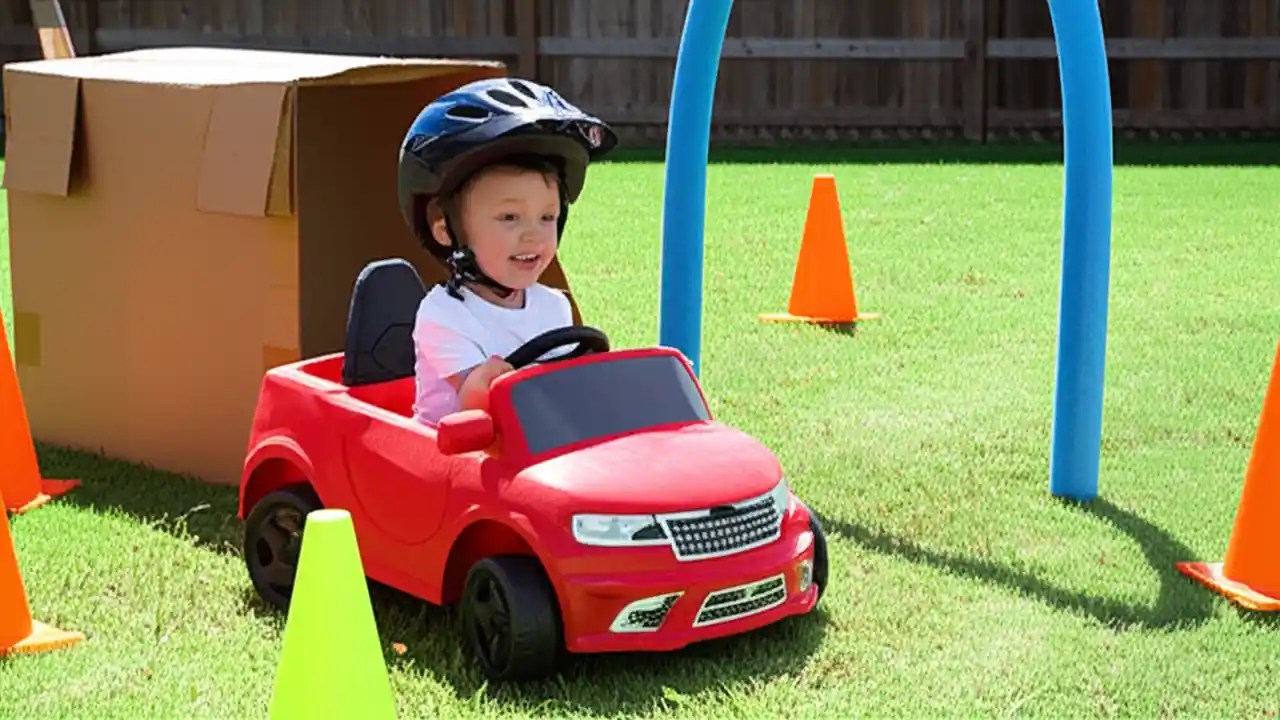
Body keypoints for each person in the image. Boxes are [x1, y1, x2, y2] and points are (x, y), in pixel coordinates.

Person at [396, 77, 618, 425]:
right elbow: (476, 403)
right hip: (450, 464)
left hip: (533, 457)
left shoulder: (554, 307)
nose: (533, 234)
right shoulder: (443, 316)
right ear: (445, 229)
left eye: (547, 217)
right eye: (510, 217)